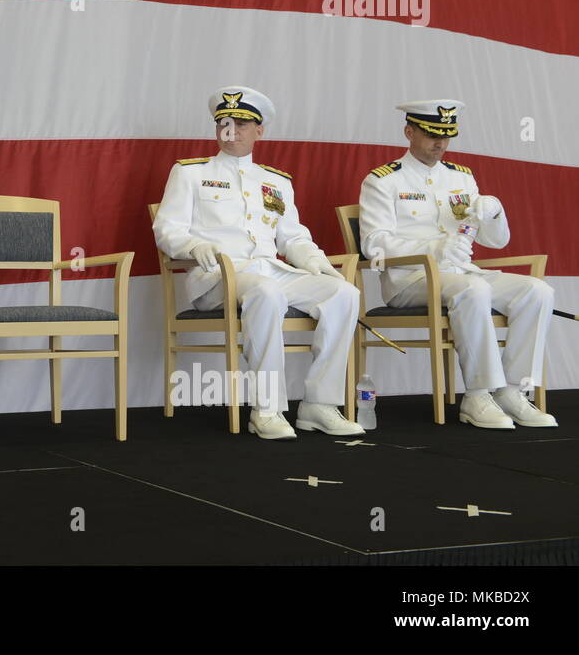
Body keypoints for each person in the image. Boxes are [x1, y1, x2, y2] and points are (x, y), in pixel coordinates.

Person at [153, 87, 363, 439]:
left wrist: (315, 260)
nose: (231, 131)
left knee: (343, 293)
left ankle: (319, 404)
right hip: (217, 278)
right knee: (266, 293)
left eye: (240, 124)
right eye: (224, 123)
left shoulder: (276, 181)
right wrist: (191, 244)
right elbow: (166, 229)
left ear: (259, 131)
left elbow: (292, 238)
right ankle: (267, 408)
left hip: (269, 271)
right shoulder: (190, 173)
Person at [358, 100, 555, 429]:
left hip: (462, 275)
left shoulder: (462, 178)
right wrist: (435, 247)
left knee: (537, 291)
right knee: (473, 289)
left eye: (446, 136)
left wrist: (494, 212)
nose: (440, 143)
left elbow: (496, 241)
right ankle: (478, 395)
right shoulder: (384, 180)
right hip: (410, 281)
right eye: (432, 134)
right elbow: (373, 244)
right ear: (409, 132)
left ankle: (512, 390)